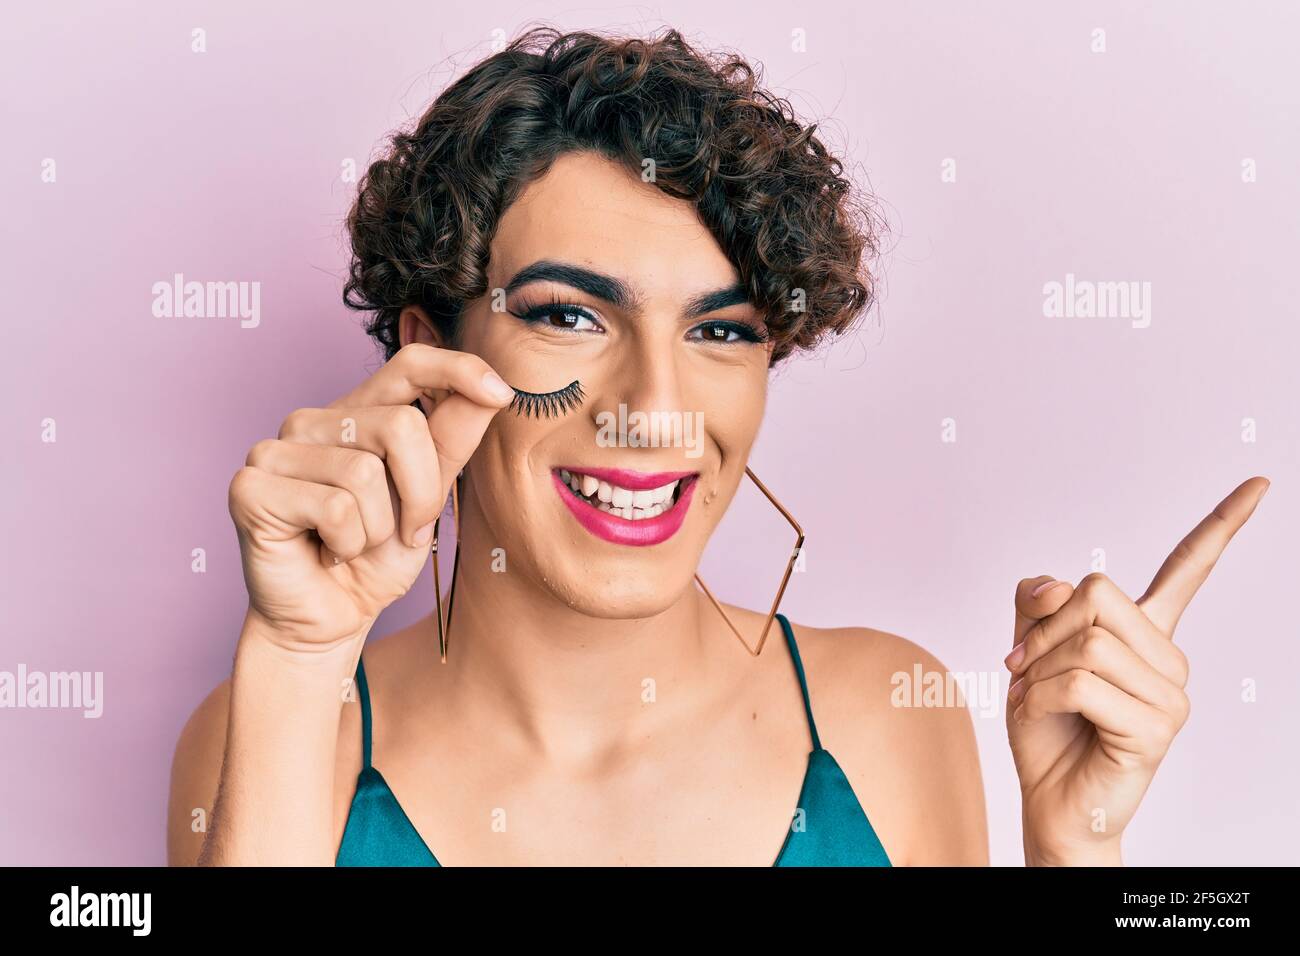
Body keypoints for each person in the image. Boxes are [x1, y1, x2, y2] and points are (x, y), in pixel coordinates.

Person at [167, 26, 1268, 867]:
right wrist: (298, 660)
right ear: (429, 350)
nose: (657, 406)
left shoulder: (887, 714)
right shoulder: (270, 722)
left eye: (721, 330)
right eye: (569, 314)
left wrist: (1076, 851)